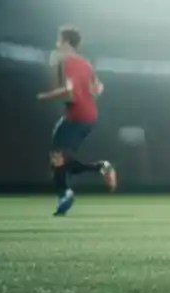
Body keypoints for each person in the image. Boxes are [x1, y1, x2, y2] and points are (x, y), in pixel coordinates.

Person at [37, 26, 116, 216]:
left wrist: (45, 96)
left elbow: (70, 92)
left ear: (65, 43)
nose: (57, 44)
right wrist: (88, 95)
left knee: (57, 157)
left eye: (59, 40)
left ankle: (66, 192)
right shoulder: (85, 63)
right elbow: (99, 87)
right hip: (89, 115)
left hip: (76, 114)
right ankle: (99, 168)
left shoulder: (68, 62)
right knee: (60, 158)